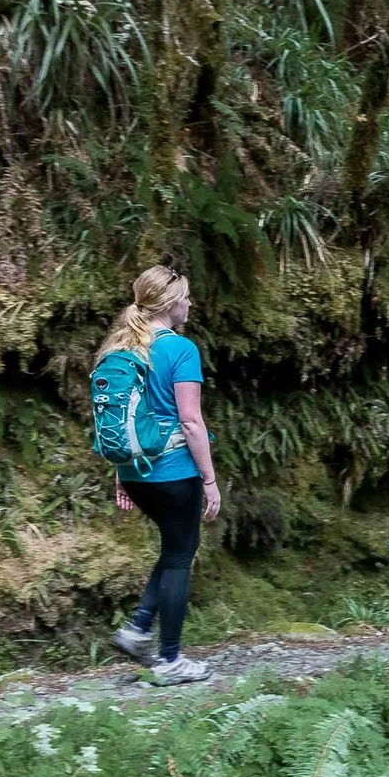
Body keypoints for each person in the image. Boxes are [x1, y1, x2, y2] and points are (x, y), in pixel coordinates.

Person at [96, 266, 223, 684]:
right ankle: (170, 660)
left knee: (173, 551)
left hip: (135, 472)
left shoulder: (120, 349)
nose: (189, 304)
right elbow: (190, 422)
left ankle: (137, 629)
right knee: (180, 556)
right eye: (186, 297)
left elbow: (118, 418)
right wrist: (209, 480)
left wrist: (121, 474)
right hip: (172, 472)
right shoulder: (180, 350)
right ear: (170, 304)